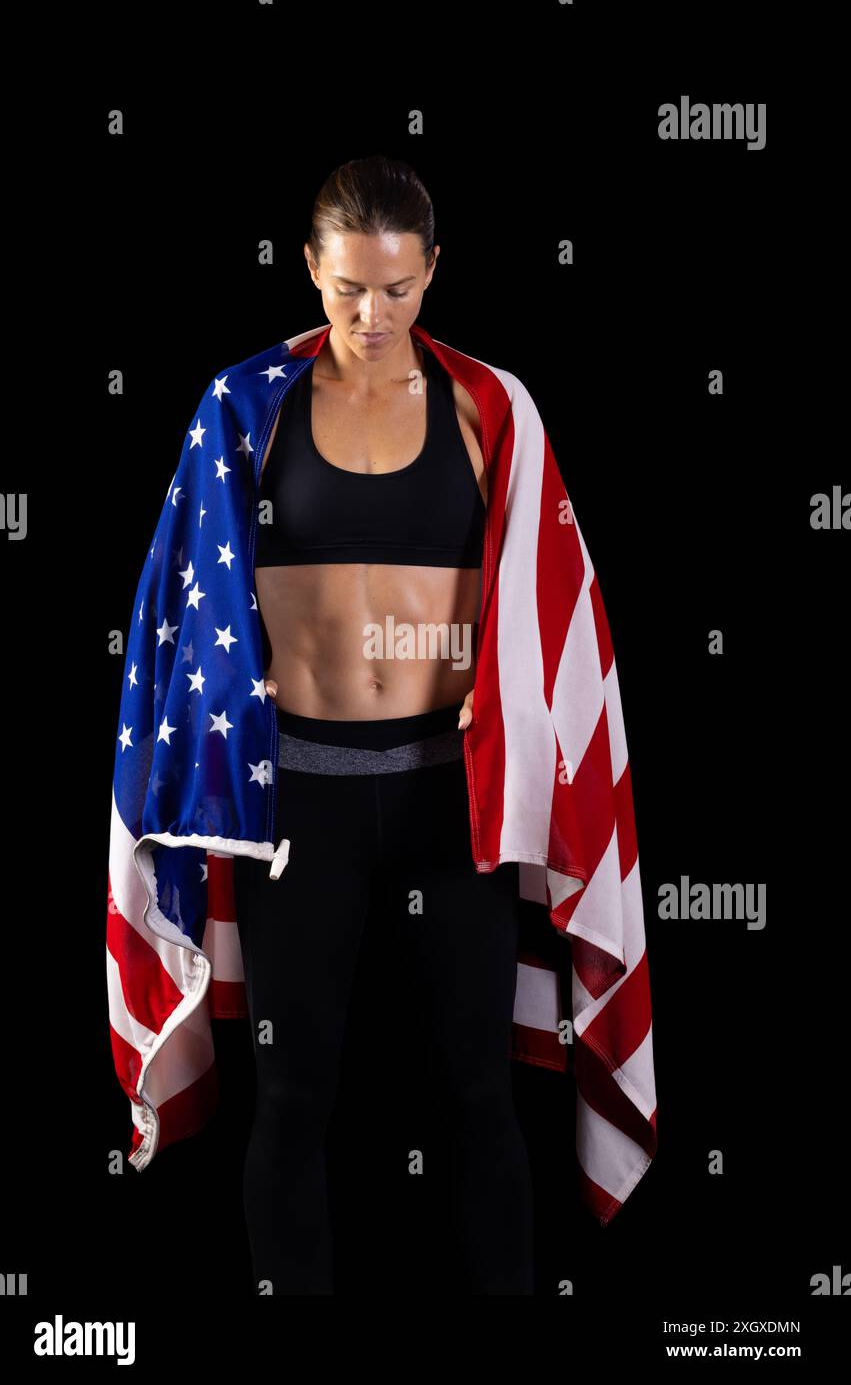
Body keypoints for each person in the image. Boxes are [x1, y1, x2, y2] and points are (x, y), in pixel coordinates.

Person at [232, 154, 535, 1295]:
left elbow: (546, 599)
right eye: (350, 287)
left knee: (475, 1086)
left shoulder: (486, 408)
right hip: (299, 792)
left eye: (400, 289)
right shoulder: (248, 408)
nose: (373, 314)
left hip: (445, 792)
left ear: (433, 273)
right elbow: (188, 601)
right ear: (311, 270)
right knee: (294, 1089)